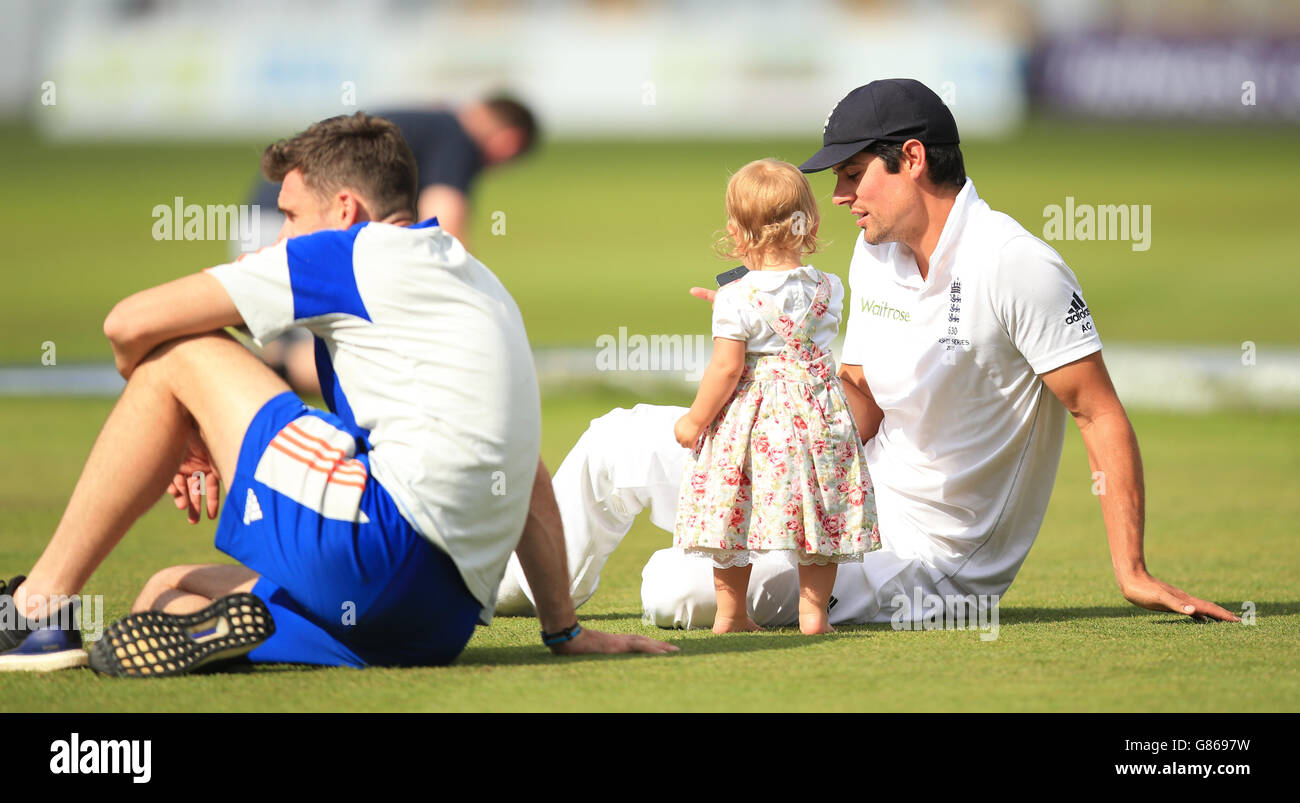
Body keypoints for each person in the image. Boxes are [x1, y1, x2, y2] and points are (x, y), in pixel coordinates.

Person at [494, 79, 1240, 629]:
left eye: (854, 174)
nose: (841, 195)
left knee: (670, 587)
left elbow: (1097, 410)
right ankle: (492, 593)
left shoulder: (1015, 263)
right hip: (839, 478)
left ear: (911, 158)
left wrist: (1131, 570)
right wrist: (765, 397)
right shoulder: (871, 255)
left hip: (930, 561)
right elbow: (861, 399)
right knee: (614, 440)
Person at [0, 112, 674, 676]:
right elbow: (523, 474)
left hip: (377, 551)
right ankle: (241, 634)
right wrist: (563, 630)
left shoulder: (348, 253)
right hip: (433, 625)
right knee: (165, 591)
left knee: (178, 356)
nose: (282, 234)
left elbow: (129, 324)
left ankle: (35, 612)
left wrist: (183, 426)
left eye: (290, 214)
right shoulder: (479, 282)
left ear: (345, 209)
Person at [671, 159, 879, 635]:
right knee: (822, 511)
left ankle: (732, 614)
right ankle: (813, 614)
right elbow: (793, 325)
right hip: (818, 418)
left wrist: (695, 420)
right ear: (812, 222)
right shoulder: (832, 288)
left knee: (734, 510)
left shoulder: (735, 297)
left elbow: (727, 368)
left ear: (734, 229)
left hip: (754, 421)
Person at [250, 95, 539, 395]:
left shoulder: (433, 124)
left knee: (312, 343)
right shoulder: (456, 138)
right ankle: (255, 381)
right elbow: (446, 226)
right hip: (306, 222)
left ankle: (260, 377)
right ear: (510, 141)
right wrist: (470, 303)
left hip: (274, 214)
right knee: (366, 354)